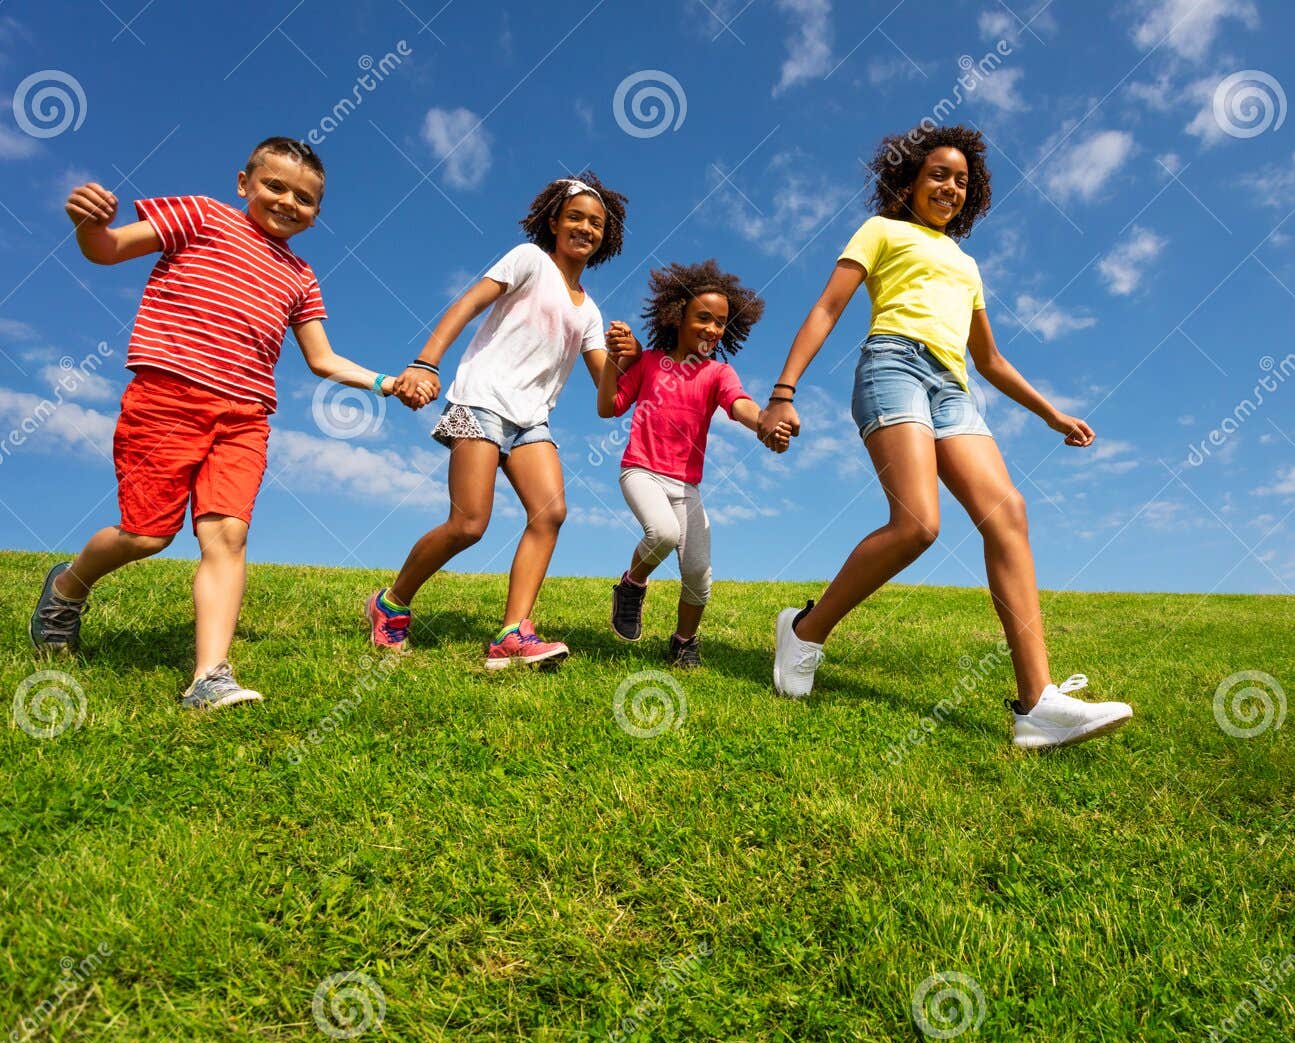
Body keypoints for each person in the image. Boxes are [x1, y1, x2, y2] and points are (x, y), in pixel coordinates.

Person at [757, 125, 1133, 750]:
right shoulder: (881, 231)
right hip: (893, 365)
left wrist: (1051, 414)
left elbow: (990, 360)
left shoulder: (966, 264)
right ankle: (805, 631)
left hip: (953, 388)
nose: (950, 187)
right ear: (908, 181)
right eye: (938, 174)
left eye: (961, 180)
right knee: (917, 525)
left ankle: (1037, 704)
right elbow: (827, 308)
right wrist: (783, 392)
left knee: (1007, 513)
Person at [29, 137, 417, 709]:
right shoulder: (200, 216)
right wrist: (90, 226)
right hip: (167, 398)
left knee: (228, 535)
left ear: (317, 213)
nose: (287, 202)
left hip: (245, 418)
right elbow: (107, 250)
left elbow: (322, 358)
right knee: (147, 535)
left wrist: (385, 382)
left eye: (305, 198)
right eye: (275, 186)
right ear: (243, 183)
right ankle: (68, 586)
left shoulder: (301, 276)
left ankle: (208, 676)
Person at [365, 172, 630, 670]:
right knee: (469, 524)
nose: (585, 228)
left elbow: (608, 398)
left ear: (606, 236)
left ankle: (512, 633)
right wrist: (425, 362)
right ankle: (391, 603)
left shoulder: (590, 312)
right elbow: (468, 304)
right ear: (554, 222)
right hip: (482, 400)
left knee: (550, 513)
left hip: (532, 420)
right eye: (575, 217)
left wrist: (621, 358)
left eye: (596, 223)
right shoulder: (529, 259)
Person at [598, 260, 789, 668]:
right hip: (641, 470)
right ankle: (632, 585)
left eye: (720, 322)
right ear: (677, 317)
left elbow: (739, 404)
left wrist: (763, 423)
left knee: (699, 573)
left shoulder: (718, 372)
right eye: (703, 318)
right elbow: (608, 407)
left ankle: (683, 643)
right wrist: (614, 361)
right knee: (663, 533)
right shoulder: (649, 362)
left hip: (686, 486)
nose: (712, 329)